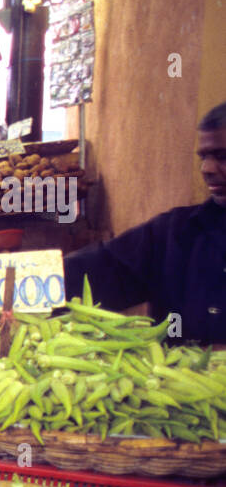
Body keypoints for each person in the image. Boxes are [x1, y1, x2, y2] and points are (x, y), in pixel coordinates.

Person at [64, 102, 226, 344]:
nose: (207, 169)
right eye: (204, 157)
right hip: (173, 378)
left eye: (222, 156)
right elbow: (99, 269)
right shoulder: (177, 233)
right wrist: (17, 279)